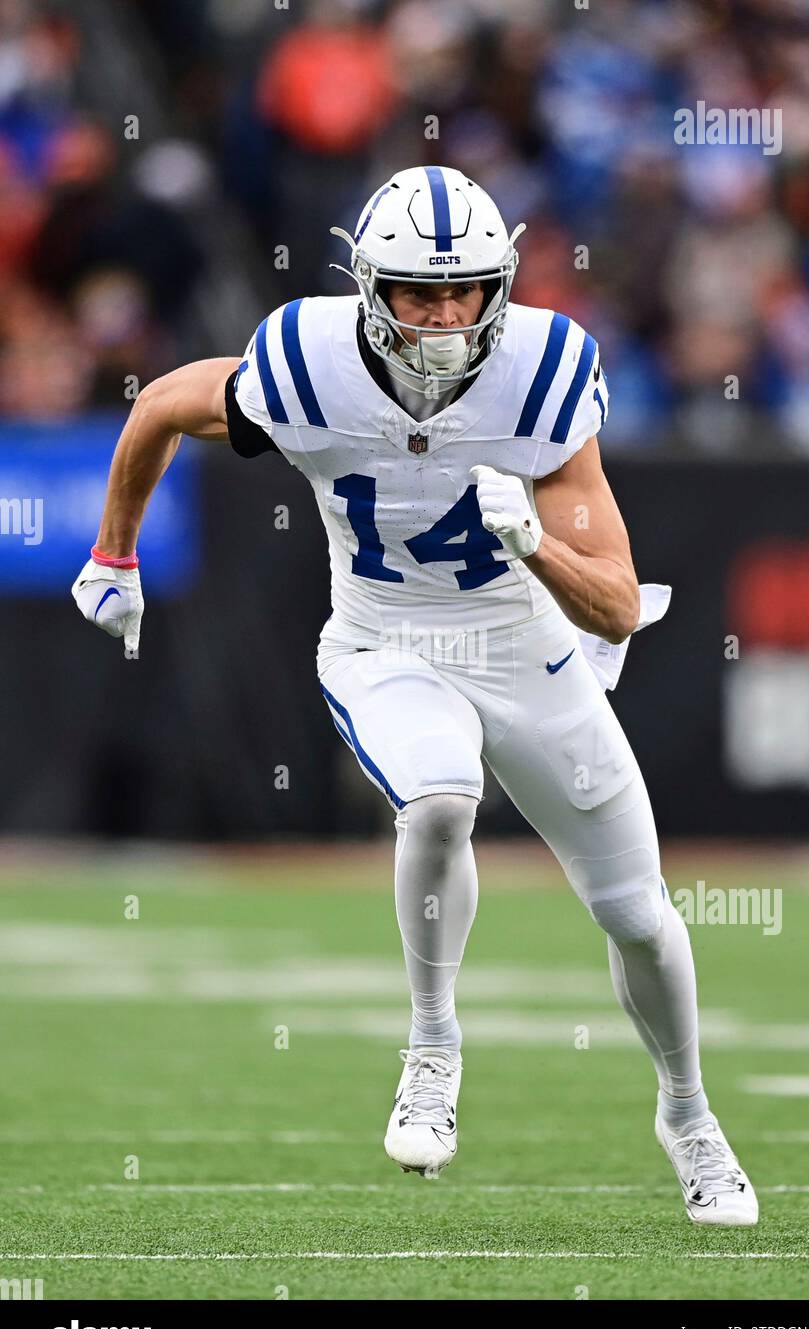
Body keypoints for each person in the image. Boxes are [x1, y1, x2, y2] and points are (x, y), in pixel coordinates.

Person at [72, 166, 758, 1225]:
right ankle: (432, 1044)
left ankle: (687, 1113)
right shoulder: (306, 364)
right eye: (416, 294)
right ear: (367, 288)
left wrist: (531, 544)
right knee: (436, 797)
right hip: (383, 639)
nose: (443, 316)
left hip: (525, 649)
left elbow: (616, 607)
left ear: (500, 286)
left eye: (466, 291)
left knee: (638, 915)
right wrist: (115, 555)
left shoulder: (540, 374)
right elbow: (161, 403)